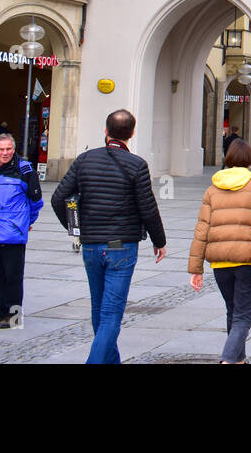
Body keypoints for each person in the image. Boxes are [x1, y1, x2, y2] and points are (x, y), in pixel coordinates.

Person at [52, 109, 167, 364]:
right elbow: (147, 207)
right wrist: (159, 241)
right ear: (132, 133)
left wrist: (77, 230)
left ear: (106, 132)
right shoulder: (136, 165)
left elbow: (59, 198)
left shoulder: (84, 160)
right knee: (112, 314)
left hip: (92, 246)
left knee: (99, 308)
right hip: (121, 247)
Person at [188, 138, 251, 364]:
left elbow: (202, 229)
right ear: (249, 160)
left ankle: (239, 360)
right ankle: (227, 360)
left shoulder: (212, 190)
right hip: (248, 260)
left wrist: (195, 269)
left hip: (220, 263)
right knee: (243, 316)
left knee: (233, 311)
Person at [0, 133, 43, 329]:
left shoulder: (24, 169)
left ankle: (13, 316)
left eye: (8, 149)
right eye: (1, 149)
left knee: (13, 276)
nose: (5, 153)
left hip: (13, 233)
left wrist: (26, 222)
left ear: (13, 149)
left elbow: (36, 202)